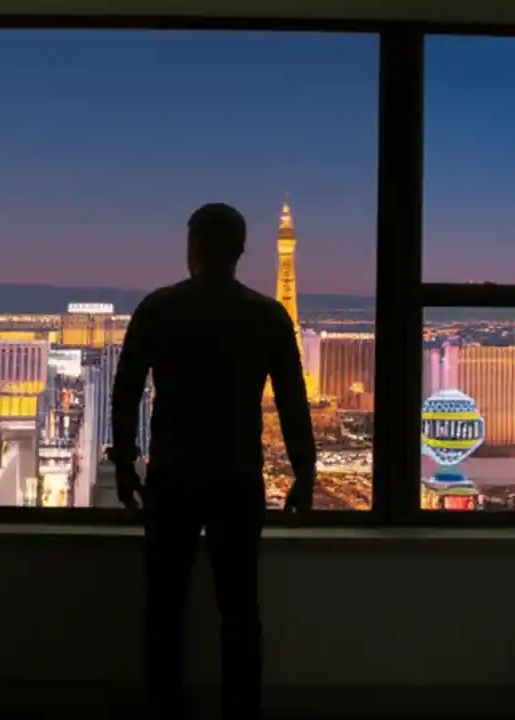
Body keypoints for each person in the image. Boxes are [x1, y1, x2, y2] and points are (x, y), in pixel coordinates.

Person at [108, 202, 317, 720]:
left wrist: (125, 464)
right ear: (241, 251)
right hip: (237, 476)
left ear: (193, 247)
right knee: (240, 610)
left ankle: (165, 710)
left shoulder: (158, 308)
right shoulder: (268, 316)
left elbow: (126, 390)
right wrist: (304, 473)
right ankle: (241, 713)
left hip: (173, 475)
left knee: (165, 609)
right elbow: (292, 402)